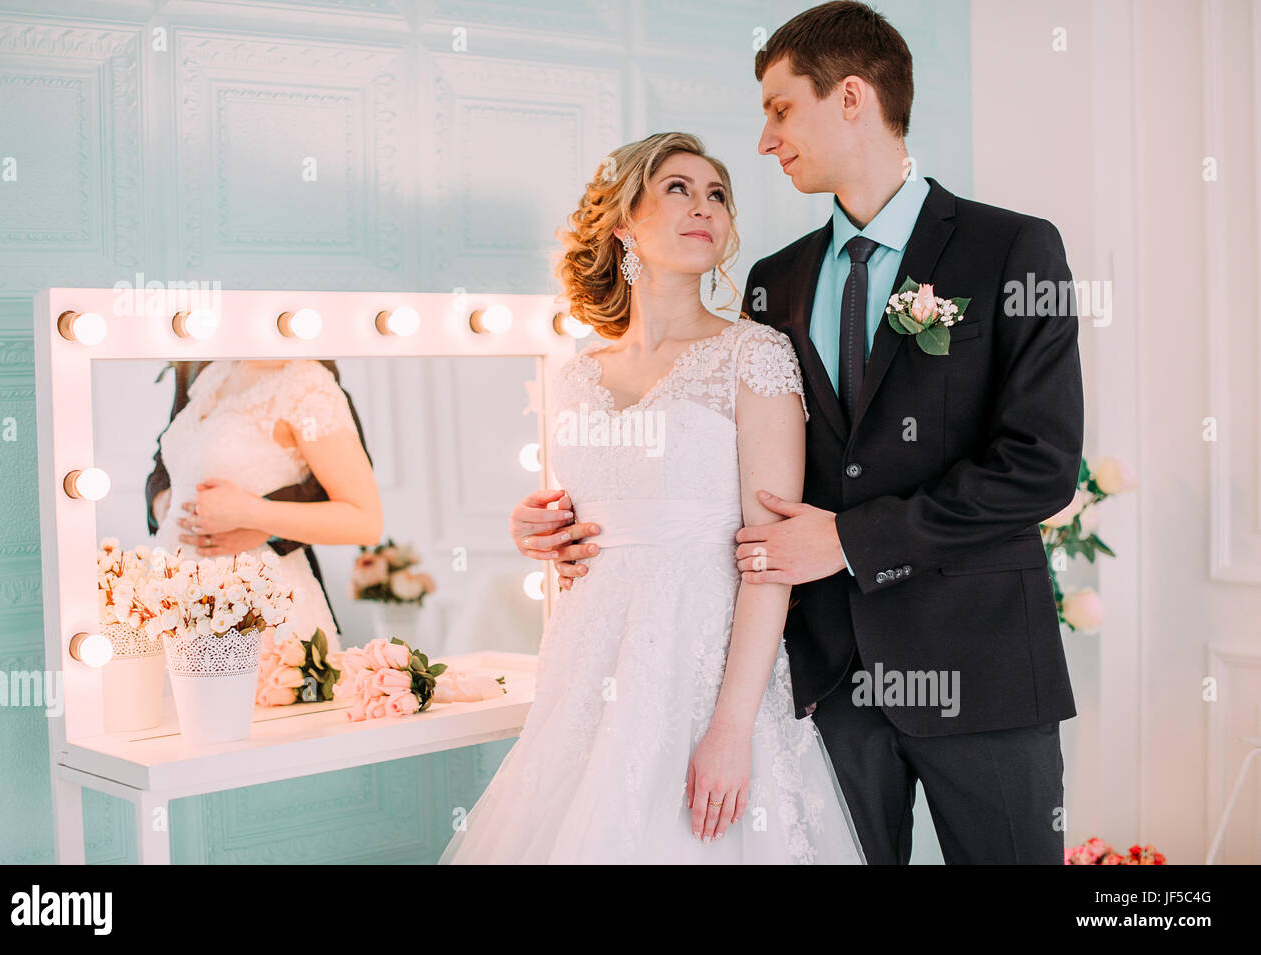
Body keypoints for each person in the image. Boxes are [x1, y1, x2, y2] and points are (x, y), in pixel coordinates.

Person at [512, 1, 1083, 864]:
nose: (767, 140)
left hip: (981, 668)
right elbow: (733, 480)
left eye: (781, 110)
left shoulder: (1013, 251)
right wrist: (565, 525)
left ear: (850, 97)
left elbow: (1039, 468)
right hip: (826, 685)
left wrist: (851, 540)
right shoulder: (774, 287)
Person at [441, 132, 864, 864]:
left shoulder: (754, 353)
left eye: (718, 195)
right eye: (678, 188)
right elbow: (581, 531)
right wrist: (534, 527)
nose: (704, 206)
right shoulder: (574, 375)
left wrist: (731, 726)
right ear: (623, 224)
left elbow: (771, 557)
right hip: (586, 681)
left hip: (704, 684)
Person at [147, 359, 382, 651]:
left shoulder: (306, 383)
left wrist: (255, 515)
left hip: (256, 601)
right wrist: (165, 505)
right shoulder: (212, 372)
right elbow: (167, 463)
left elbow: (365, 521)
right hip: (174, 596)